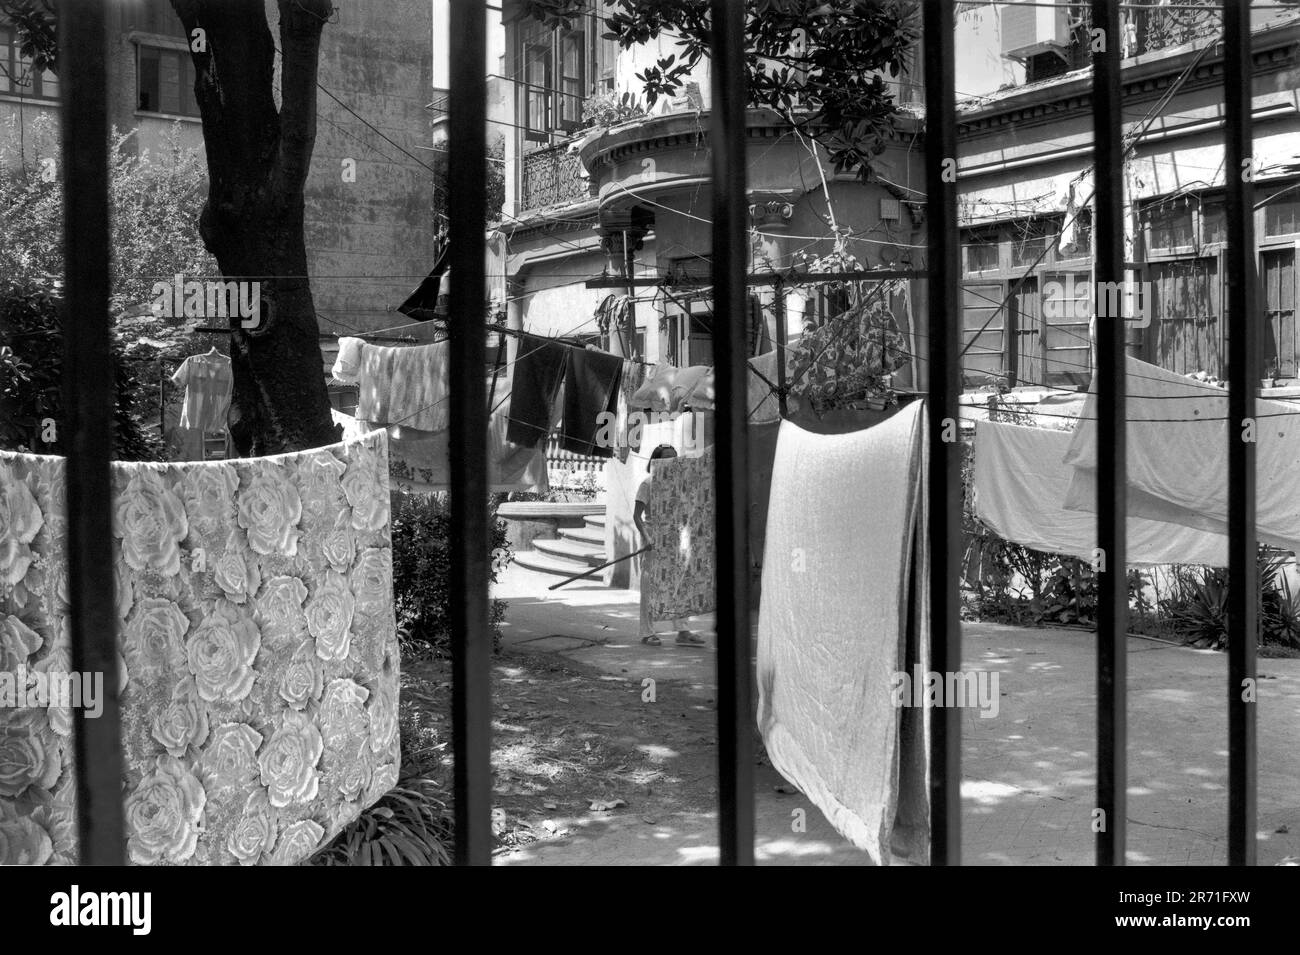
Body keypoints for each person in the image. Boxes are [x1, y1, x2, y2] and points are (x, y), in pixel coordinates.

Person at [633, 444, 706, 647]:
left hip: (674, 543)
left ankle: (683, 631)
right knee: (649, 587)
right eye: (666, 458)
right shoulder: (647, 484)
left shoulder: (678, 485)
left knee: (679, 587)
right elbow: (637, 516)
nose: (671, 461)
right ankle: (647, 633)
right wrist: (647, 538)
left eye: (674, 458)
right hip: (652, 542)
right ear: (655, 462)